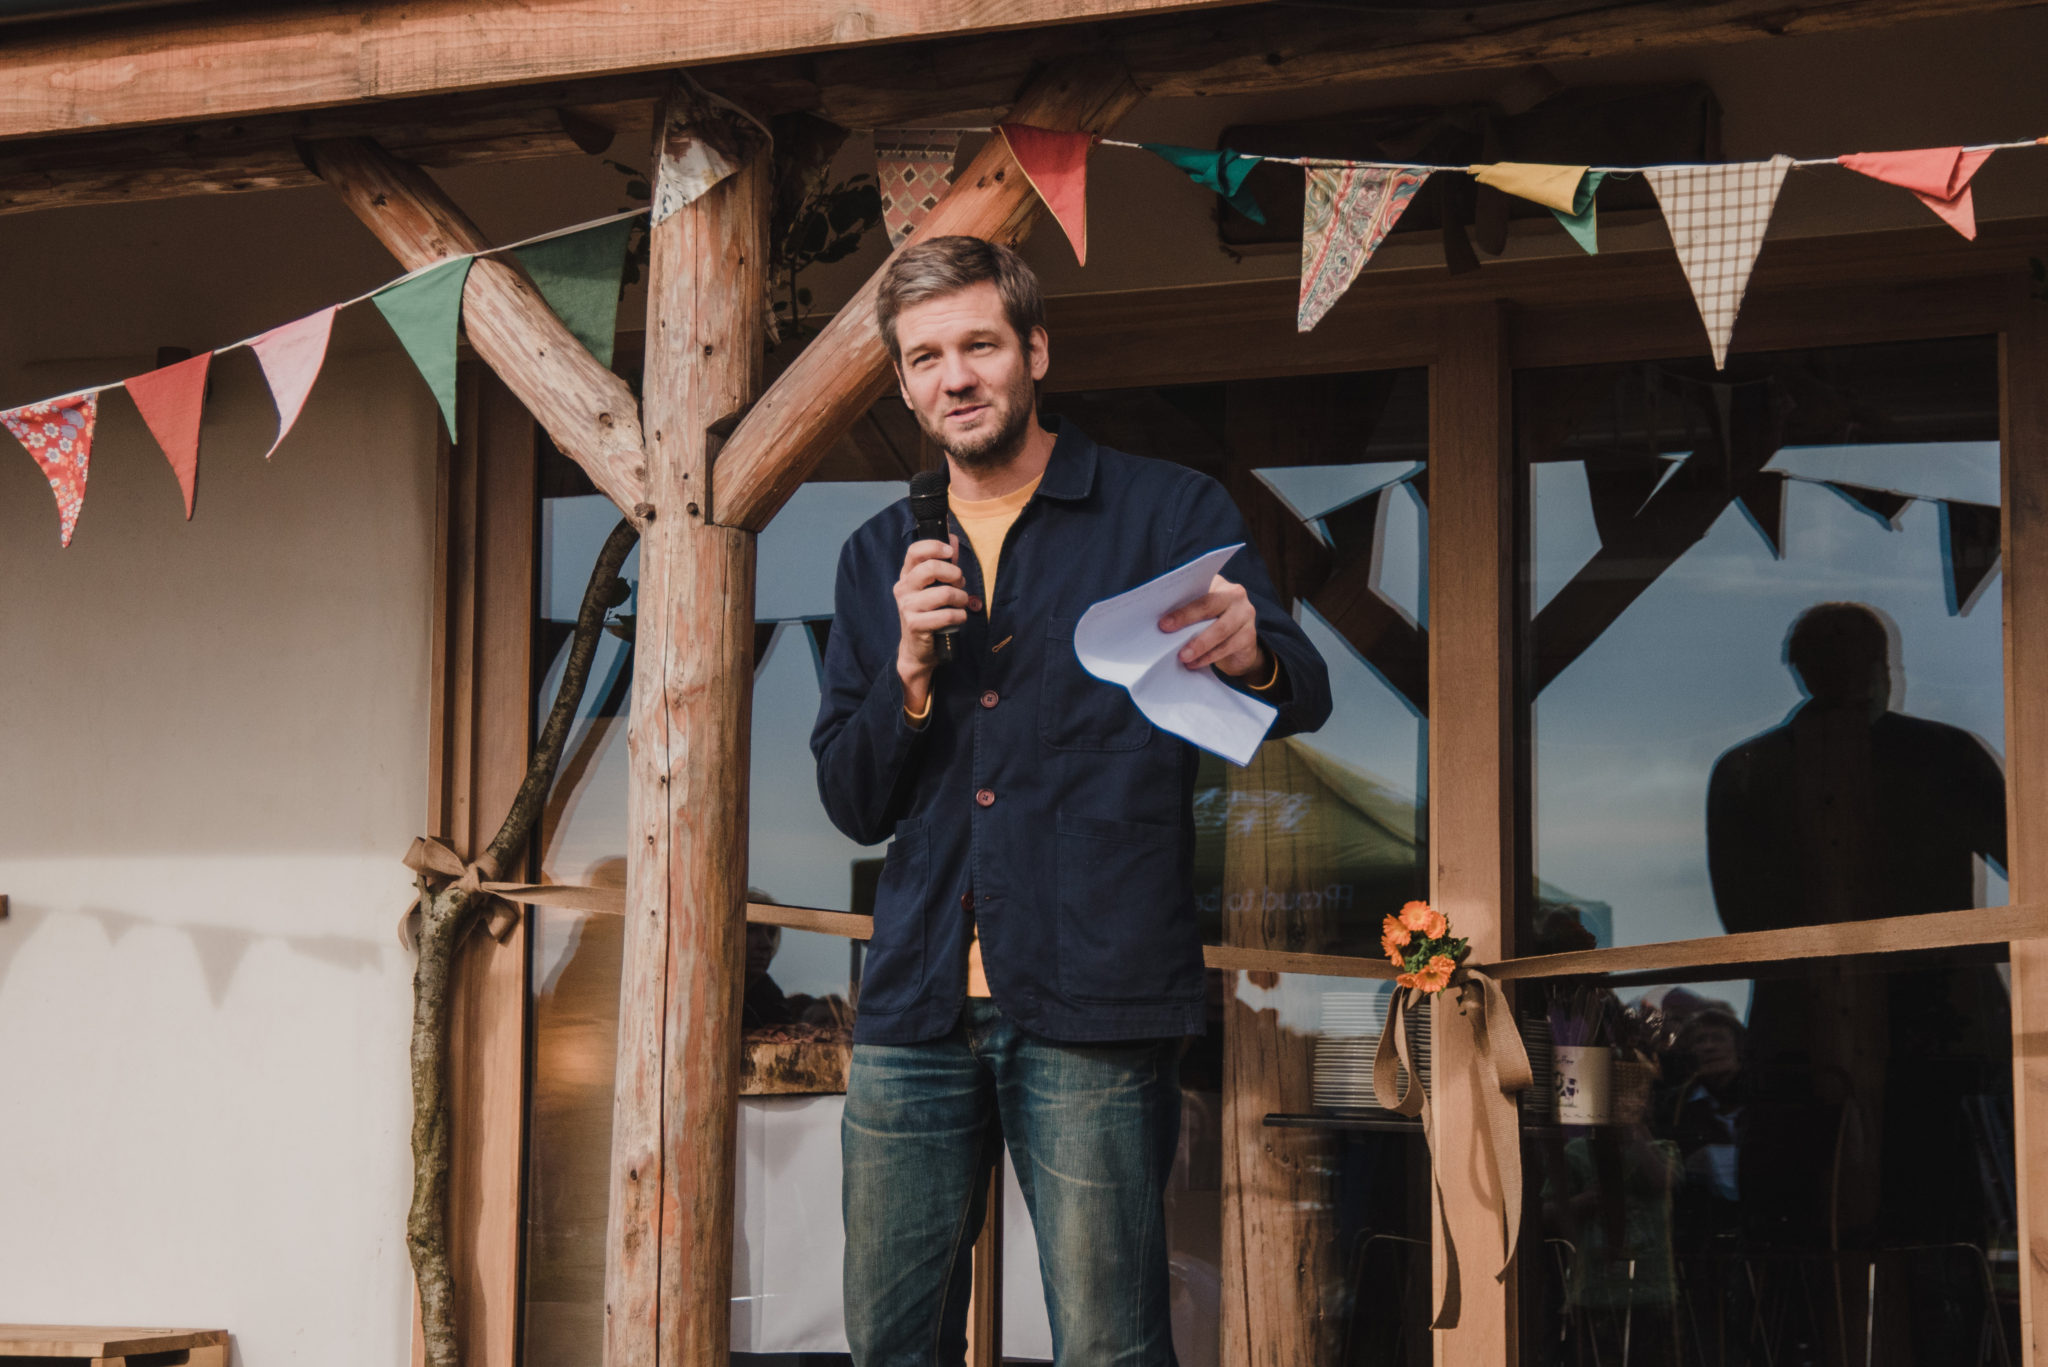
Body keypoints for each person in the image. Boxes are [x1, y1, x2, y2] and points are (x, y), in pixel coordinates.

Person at [811, 236, 1331, 1367]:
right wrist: (904, 669)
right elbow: (851, 802)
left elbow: (1304, 689)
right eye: (926, 357)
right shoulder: (873, 559)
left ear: (1034, 350)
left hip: (1097, 994)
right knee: (890, 1344)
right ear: (903, 384)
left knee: (1108, 1345)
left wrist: (1249, 651)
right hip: (913, 1007)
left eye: (980, 345)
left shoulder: (1163, 508)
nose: (955, 376)